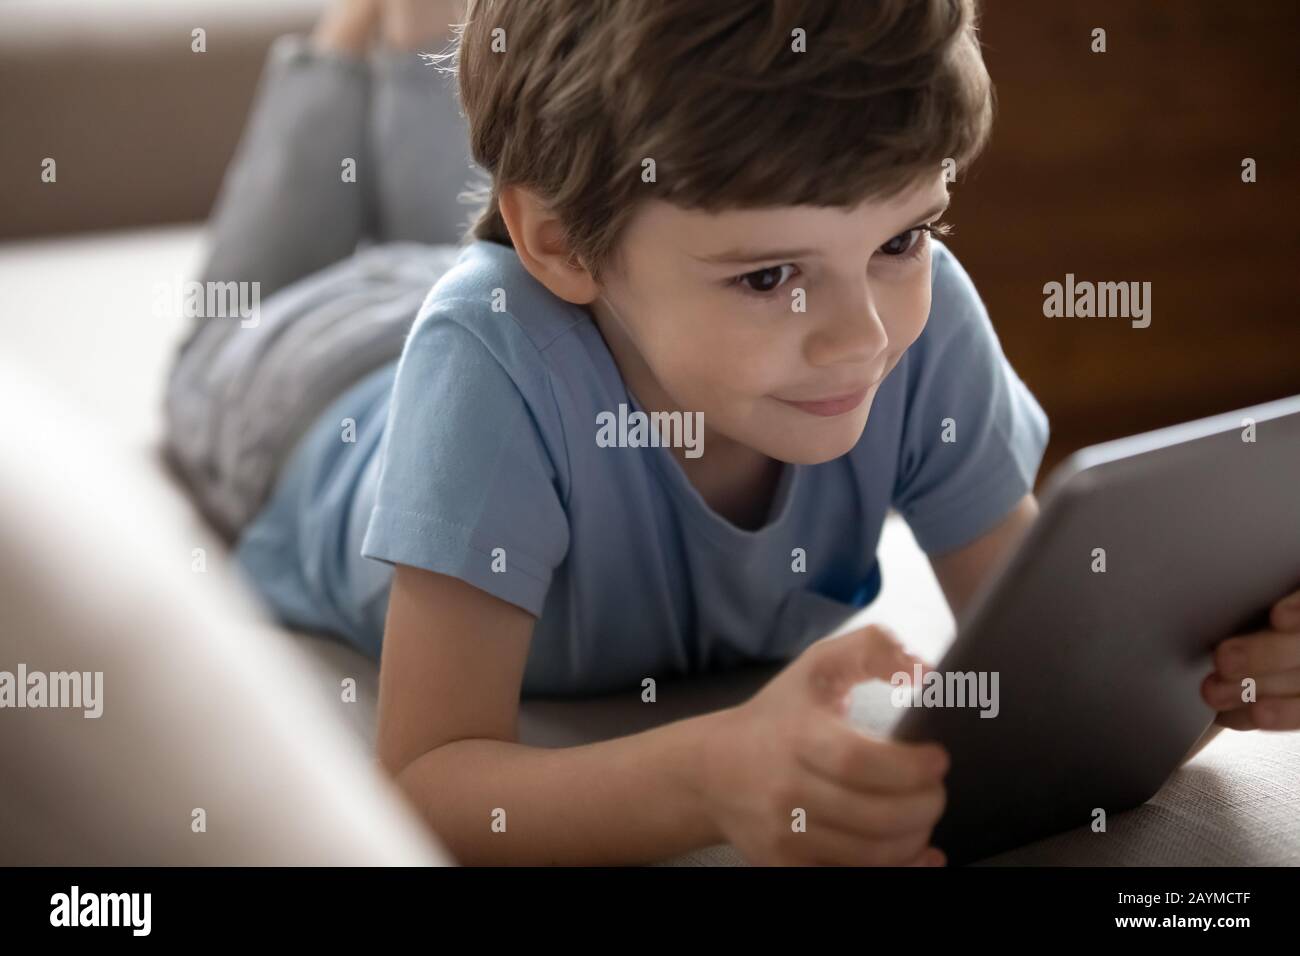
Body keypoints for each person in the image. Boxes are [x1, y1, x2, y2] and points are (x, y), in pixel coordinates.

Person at [163, 0, 1300, 867]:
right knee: (271, 299)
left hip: (540, 275)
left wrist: (1208, 671)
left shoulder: (919, 320)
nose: (860, 338)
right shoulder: (486, 360)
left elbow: (1063, 676)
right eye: (768, 275)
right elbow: (423, 782)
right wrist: (704, 778)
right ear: (557, 246)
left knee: (482, 218)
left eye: (902, 239)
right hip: (313, 386)